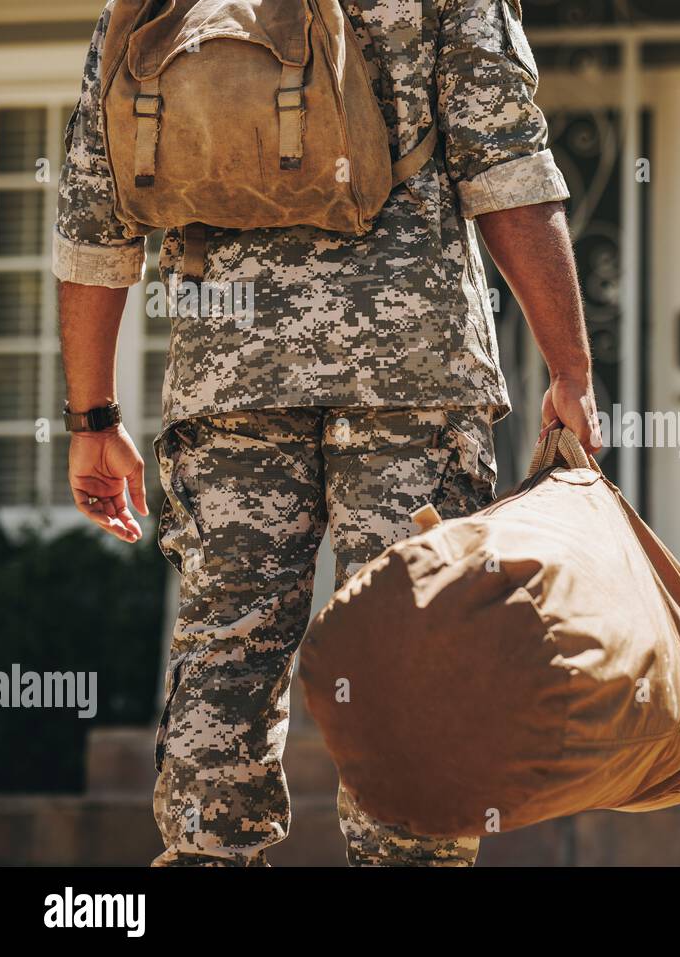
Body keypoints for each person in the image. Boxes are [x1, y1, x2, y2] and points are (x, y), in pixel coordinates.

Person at [54, 0, 602, 866]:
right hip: (412, 376)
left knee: (226, 651)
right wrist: (570, 368)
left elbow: (94, 206)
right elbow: (504, 164)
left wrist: (93, 416)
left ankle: (207, 853)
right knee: (409, 652)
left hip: (227, 378)